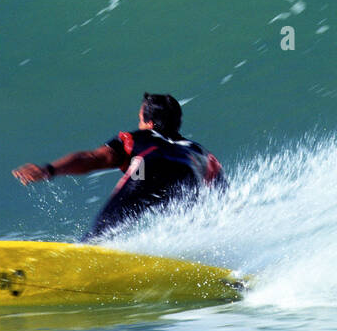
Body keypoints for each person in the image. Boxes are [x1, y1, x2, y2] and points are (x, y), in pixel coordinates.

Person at [12, 92, 222, 241]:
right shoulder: (200, 152)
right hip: (188, 174)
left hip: (149, 166)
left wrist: (49, 169)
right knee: (188, 225)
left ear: (148, 123)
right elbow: (224, 196)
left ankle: (90, 251)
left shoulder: (137, 138)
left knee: (103, 233)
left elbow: (93, 158)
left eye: (140, 119)